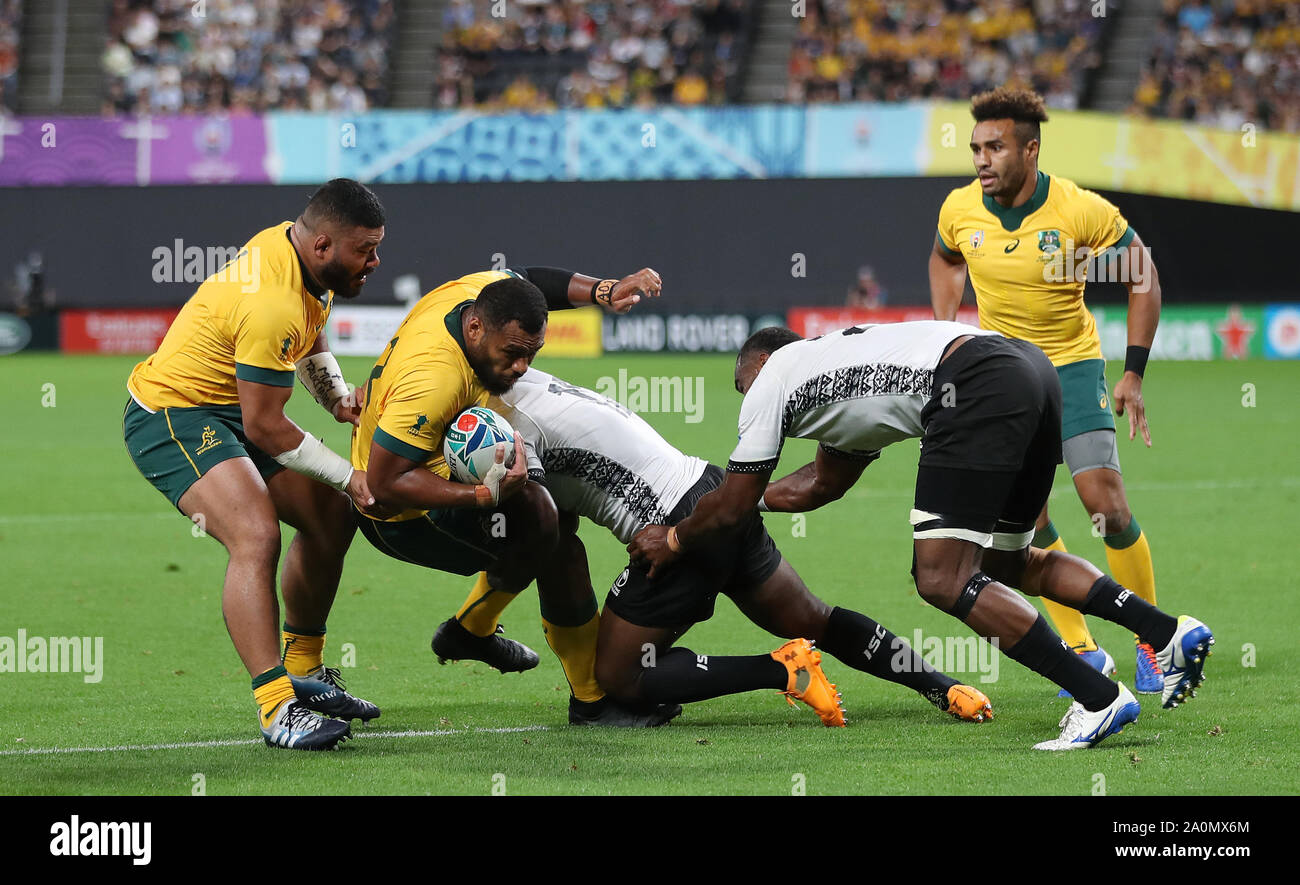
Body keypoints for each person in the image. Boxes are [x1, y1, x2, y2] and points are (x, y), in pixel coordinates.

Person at [629, 323, 1214, 750]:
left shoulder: (770, 381)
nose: (749, 405)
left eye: (744, 391)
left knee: (941, 578)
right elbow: (817, 486)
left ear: (759, 368)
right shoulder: (836, 375)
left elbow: (730, 510)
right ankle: (1168, 632)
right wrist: (743, 493)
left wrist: (677, 536)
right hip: (1026, 369)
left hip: (973, 385)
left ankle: (1097, 697)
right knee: (1012, 563)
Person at [489, 367, 995, 727]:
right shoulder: (531, 380)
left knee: (621, 676)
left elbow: (543, 520)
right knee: (814, 616)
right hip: (715, 494)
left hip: (672, 524)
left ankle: (780, 669)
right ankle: (944, 688)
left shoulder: (506, 418)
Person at [123, 179, 386, 751]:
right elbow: (267, 425)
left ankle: (306, 672)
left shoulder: (301, 259)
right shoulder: (270, 297)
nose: (375, 260)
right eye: (365, 250)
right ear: (322, 246)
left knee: (332, 518)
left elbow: (308, 337)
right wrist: (352, 475)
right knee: (256, 535)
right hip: (175, 414)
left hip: (233, 408)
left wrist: (337, 397)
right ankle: (276, 708)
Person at [352, 266, 678, 726]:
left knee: (554, 521)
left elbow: (531, 281)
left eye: (532, 353)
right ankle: (593, 703)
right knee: (554, 538)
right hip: (403, 517)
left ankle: (471, 631)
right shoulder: (436, 379)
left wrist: (604, 291)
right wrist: (484, 498)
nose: (522, 367)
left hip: (426, 468)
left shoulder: (474, 294)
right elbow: (383, 482)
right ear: (475, 328)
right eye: (512, 353)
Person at [929, 87, 1167, 696]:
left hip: (1071, 366)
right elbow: (945, 257)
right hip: (1006, 378)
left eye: (996, 147)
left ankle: (1154, 639)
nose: (982, 159)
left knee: (1104, 504)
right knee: (1024, 526)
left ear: (1031, 149)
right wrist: (944, 329)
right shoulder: (960, 209)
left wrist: (1134, 372)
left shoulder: (1078, 211)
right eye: (976, 147)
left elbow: (1143, 275)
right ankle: (1082, 651)